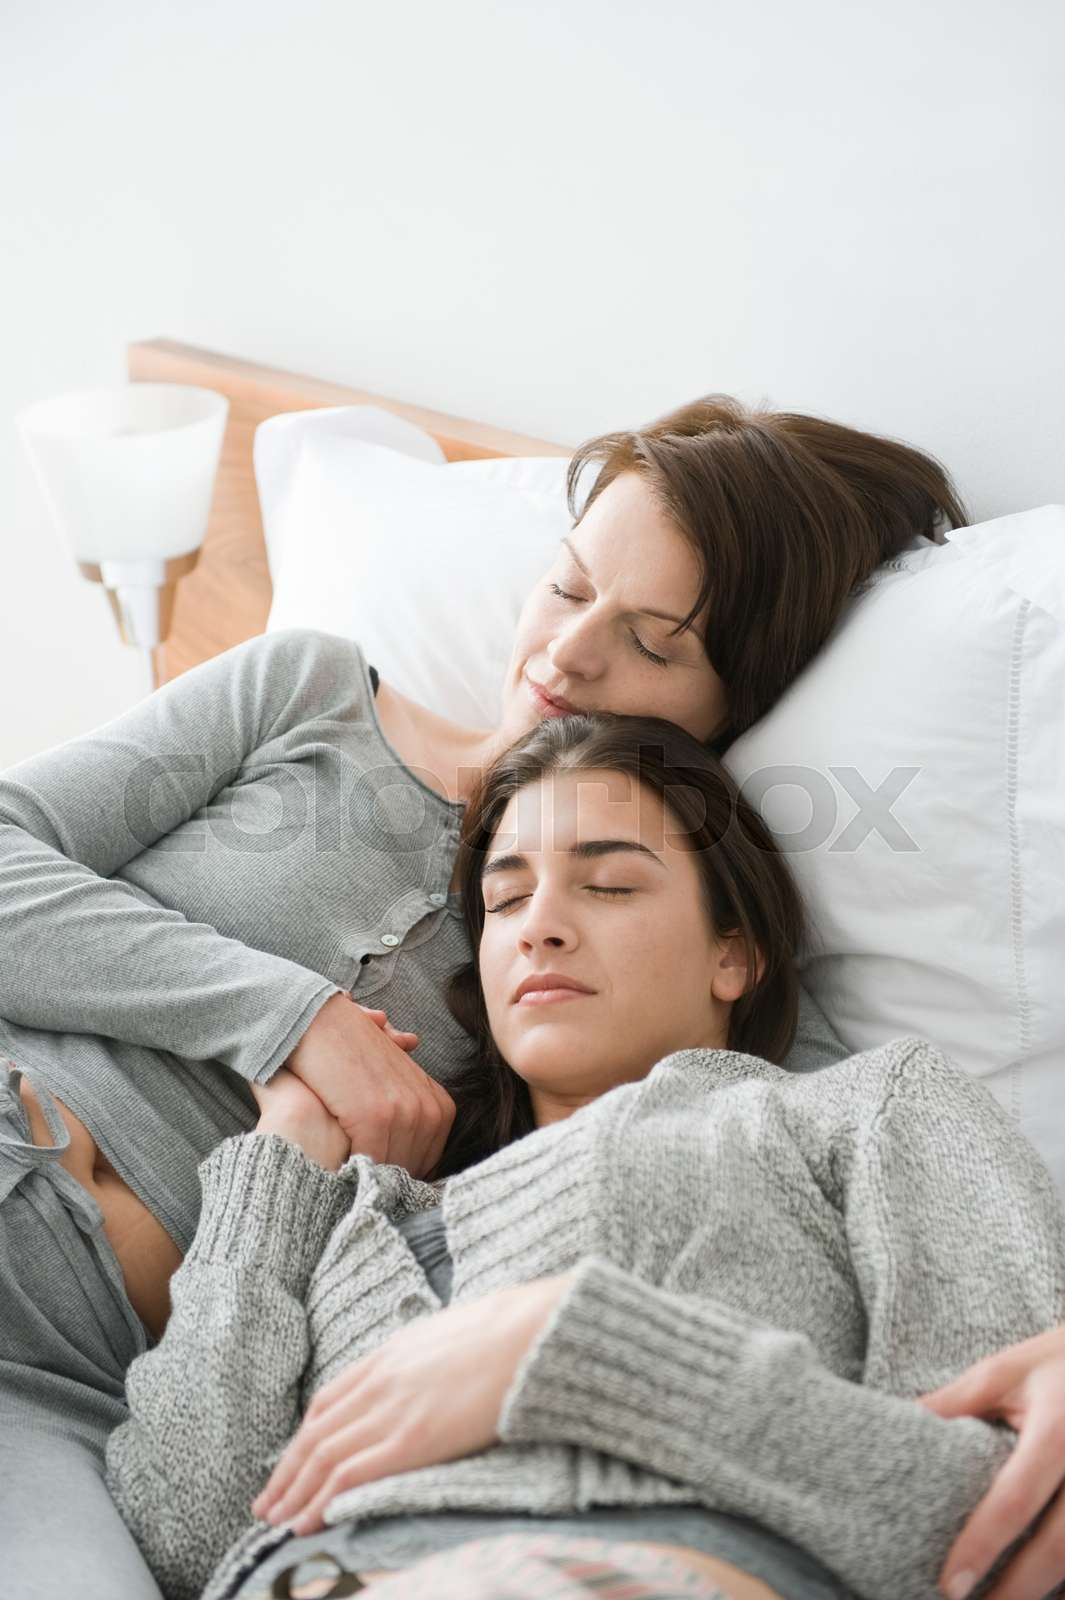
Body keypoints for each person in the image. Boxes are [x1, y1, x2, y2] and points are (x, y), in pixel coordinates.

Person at [0, 395, 974, 1600]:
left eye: (654, 644)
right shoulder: (303, 691)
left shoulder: (662, 968)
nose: (567, 657)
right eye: (567, 590)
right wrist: (284, 1015)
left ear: (736, 709)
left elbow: (850, 1155)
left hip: (67, 1380)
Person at [102, 713, 1065, 1600]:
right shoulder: (357, 1220)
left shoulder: (862, 1110)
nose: (541, 927)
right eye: (506, 898)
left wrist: (577, 1350)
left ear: (734, 952)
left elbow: (1001, 1523)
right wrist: (275, 1178)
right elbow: (183, 1535)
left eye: (608, 884)